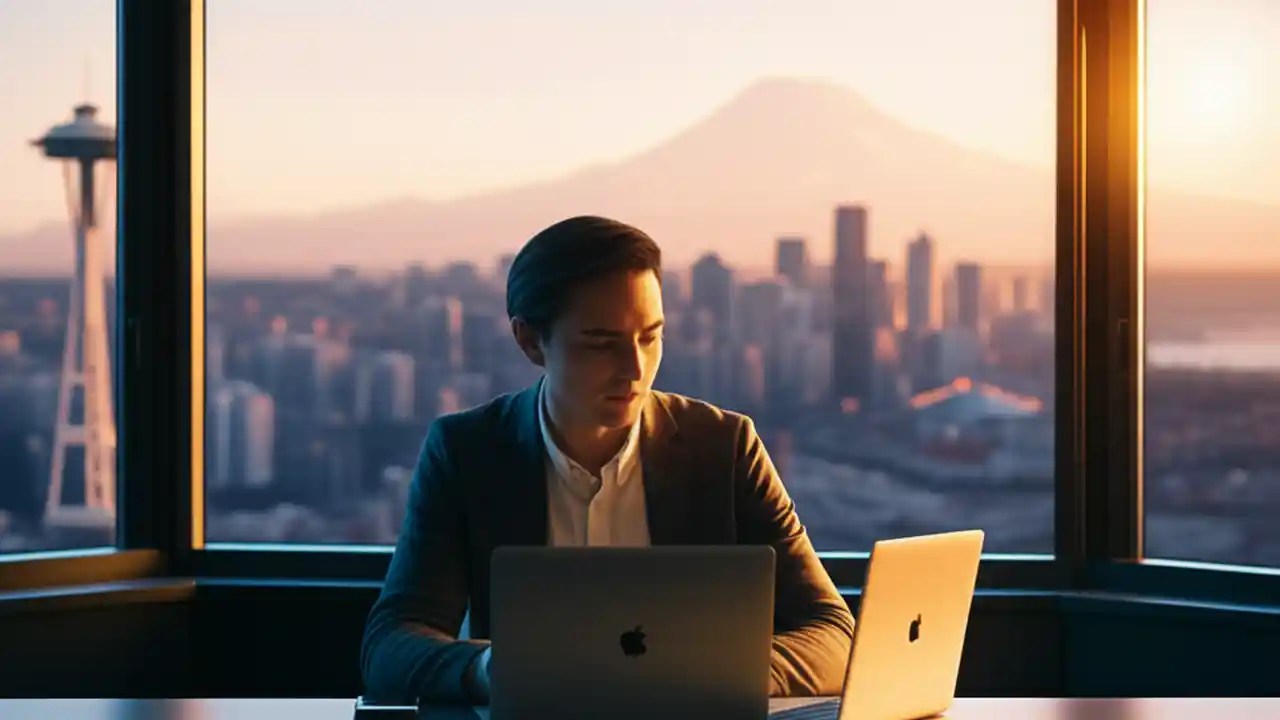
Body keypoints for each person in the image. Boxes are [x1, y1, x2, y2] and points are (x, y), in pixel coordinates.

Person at [361, 215, 854, 705]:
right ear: (530, 340)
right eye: (602, 344)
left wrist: (720, 670)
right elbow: (391, 645)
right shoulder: (468, 452)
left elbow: (834, 635)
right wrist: (489, 669)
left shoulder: (725, 447)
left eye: (650, 337)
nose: (635, 369)